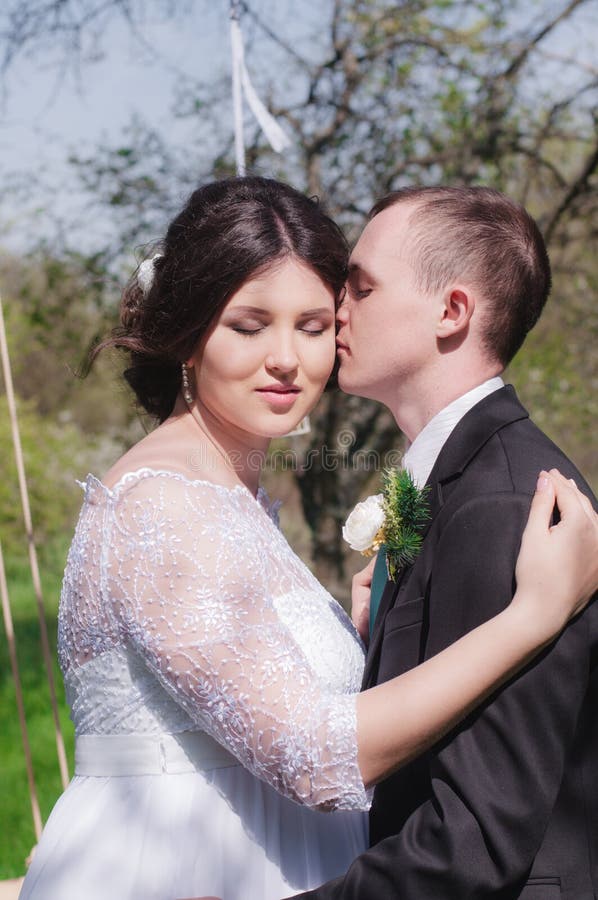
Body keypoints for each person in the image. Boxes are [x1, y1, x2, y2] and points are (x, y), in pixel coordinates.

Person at [19, 178, 598, 900]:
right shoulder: (162, 506)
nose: (288, 358)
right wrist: (531, 619)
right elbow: (314, 754)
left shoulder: (239, 497)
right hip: (173, 866)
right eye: (249, 324)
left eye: (316, 324)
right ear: (188, 334)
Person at [293, 186, 598, 899]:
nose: (336, 309)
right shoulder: (445, 486)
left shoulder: (503, 504)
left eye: (361, 287)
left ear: (452, 311)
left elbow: (474, 842)